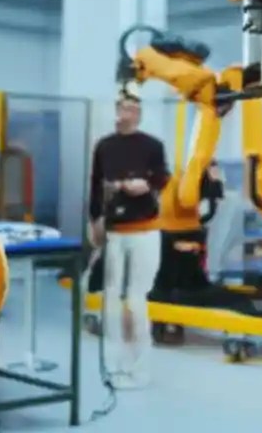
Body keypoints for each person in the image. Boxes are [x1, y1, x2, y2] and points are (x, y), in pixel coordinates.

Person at [88, 93, 170, 389]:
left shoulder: (152, 146)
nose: (128, 113)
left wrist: (145, 185)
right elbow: (96, 185)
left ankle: (139, 368)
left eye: (134, 108)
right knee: (111, 296)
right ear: (116, 111)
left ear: (140, 113)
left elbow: (163, 177)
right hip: (114, 231)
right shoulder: (105, 147)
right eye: (124, 107)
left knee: (136, 298)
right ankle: (113, 365)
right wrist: (94, 220)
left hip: (145, 230)